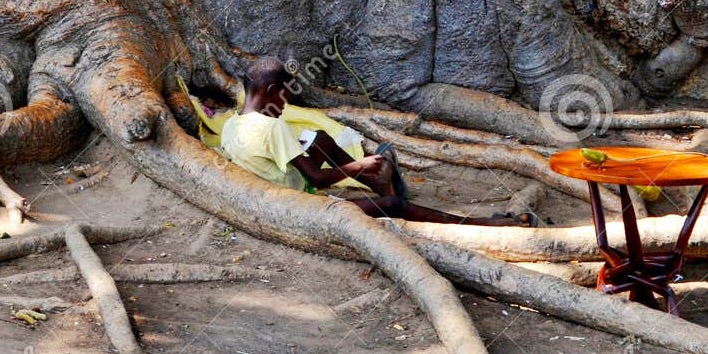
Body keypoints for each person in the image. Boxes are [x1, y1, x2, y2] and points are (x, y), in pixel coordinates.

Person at [204, 57, 526, 224]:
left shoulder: (231, 125)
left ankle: (377, 182)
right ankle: (489, 225)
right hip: (299, 202)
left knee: (318, 138)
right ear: (273, 93)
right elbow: (315, 178)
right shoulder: (272, 127)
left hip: (277, 187)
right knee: (394, 206)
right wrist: (359, 164)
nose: (286, 104)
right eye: (286, 96)